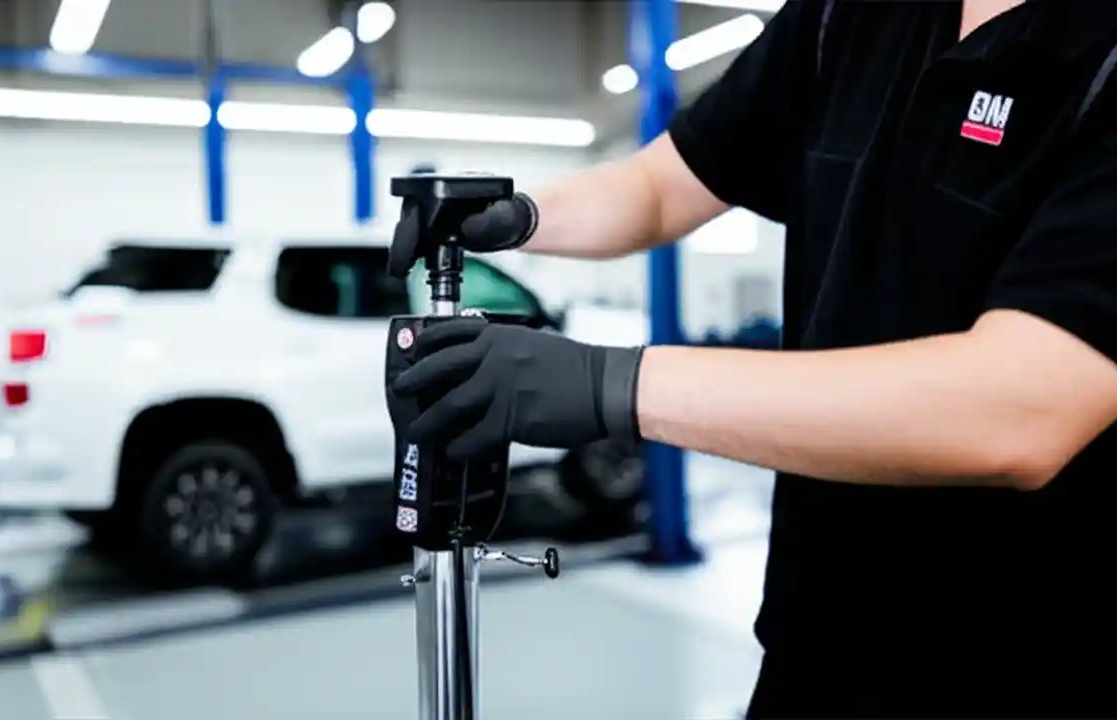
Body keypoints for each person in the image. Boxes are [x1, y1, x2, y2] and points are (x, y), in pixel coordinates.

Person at [387, 0, 1117, 716]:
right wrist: (520, 216)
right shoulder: (845, 16)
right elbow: (662, 185)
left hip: (1037, 664)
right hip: (817, 641)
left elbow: (1024, 406)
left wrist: (612, 382)